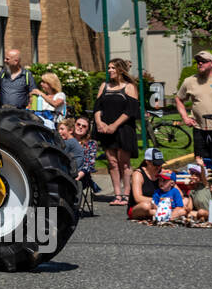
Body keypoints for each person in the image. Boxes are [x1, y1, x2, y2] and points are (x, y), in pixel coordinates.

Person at [95, 58, 140, 205]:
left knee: (124, 163)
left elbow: (130, 110)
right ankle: (117, 194)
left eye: (113, 68)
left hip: (124, 129)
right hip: (106, 130)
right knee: (112, 162)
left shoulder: (129, 87)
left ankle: (127, 194)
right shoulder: (104, 86)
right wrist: (99, 122)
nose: (109, 71)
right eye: (108, 68)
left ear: (120, 70)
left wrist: (114, 125)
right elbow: (97, 107)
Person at [129, 148, 170, 220]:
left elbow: (176, 190)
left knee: (184, 201)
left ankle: (160, 213)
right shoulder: (138, 174)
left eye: (160, 163)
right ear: (147, 162)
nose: (159, 167)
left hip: (160, 204)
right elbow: (138, 198)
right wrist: (159, 200)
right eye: (156, 164)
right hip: (139, 207)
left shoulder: (162, 172)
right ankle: (164, 214)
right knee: (146, 206)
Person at [57, 118, 92, 187]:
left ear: (70, 130)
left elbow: (60, 155)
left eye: (62, 129)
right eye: (78, 124)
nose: (59, 132)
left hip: (74, 171)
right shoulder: (73, 141)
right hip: (74, 168)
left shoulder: (69, 142)